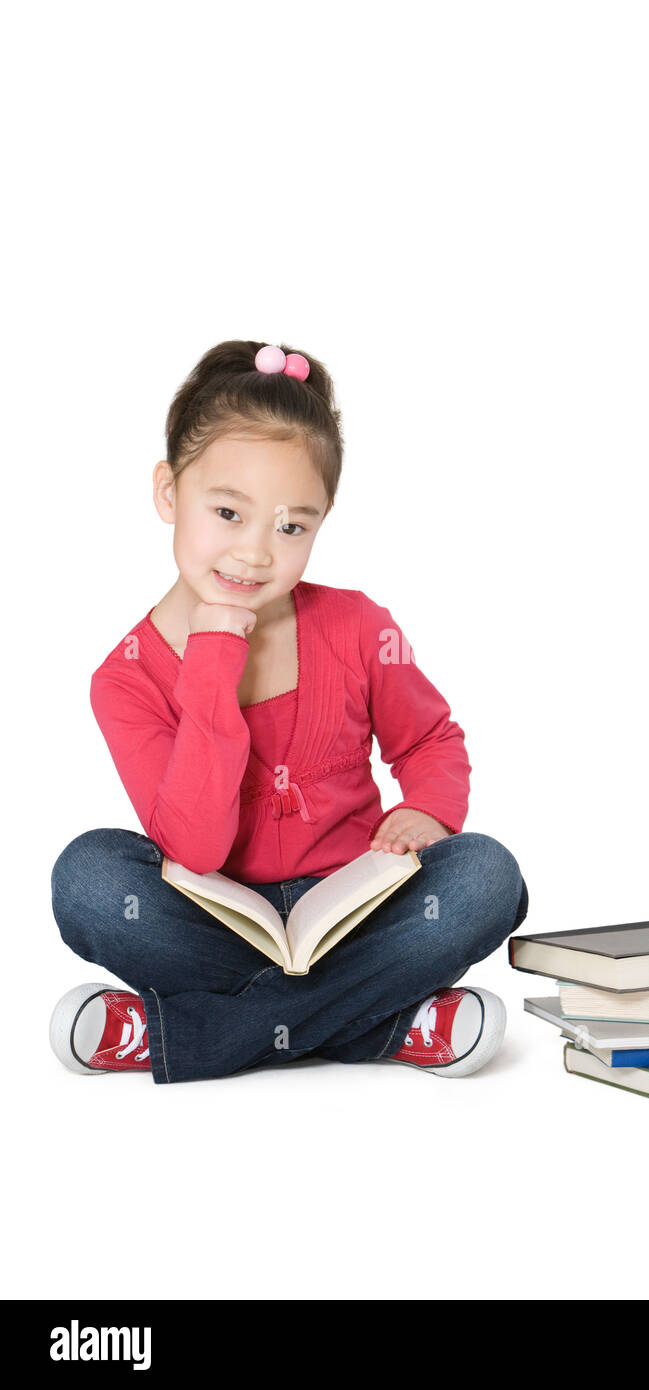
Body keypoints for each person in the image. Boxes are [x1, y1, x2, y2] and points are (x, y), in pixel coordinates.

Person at [49, 339, 529, 1084]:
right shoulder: (125, 679)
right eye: (228, 512)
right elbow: (196, 848)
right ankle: (383, 1024)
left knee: (487, 877)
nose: (255, 552)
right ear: (169, 493)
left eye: (292, 526)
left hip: (354, 918)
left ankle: (175, 1033)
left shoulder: (359, 625)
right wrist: (213, 655)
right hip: (216, 924)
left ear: (322, 522)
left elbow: (432, 738)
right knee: (86, 879)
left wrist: (430, 811)